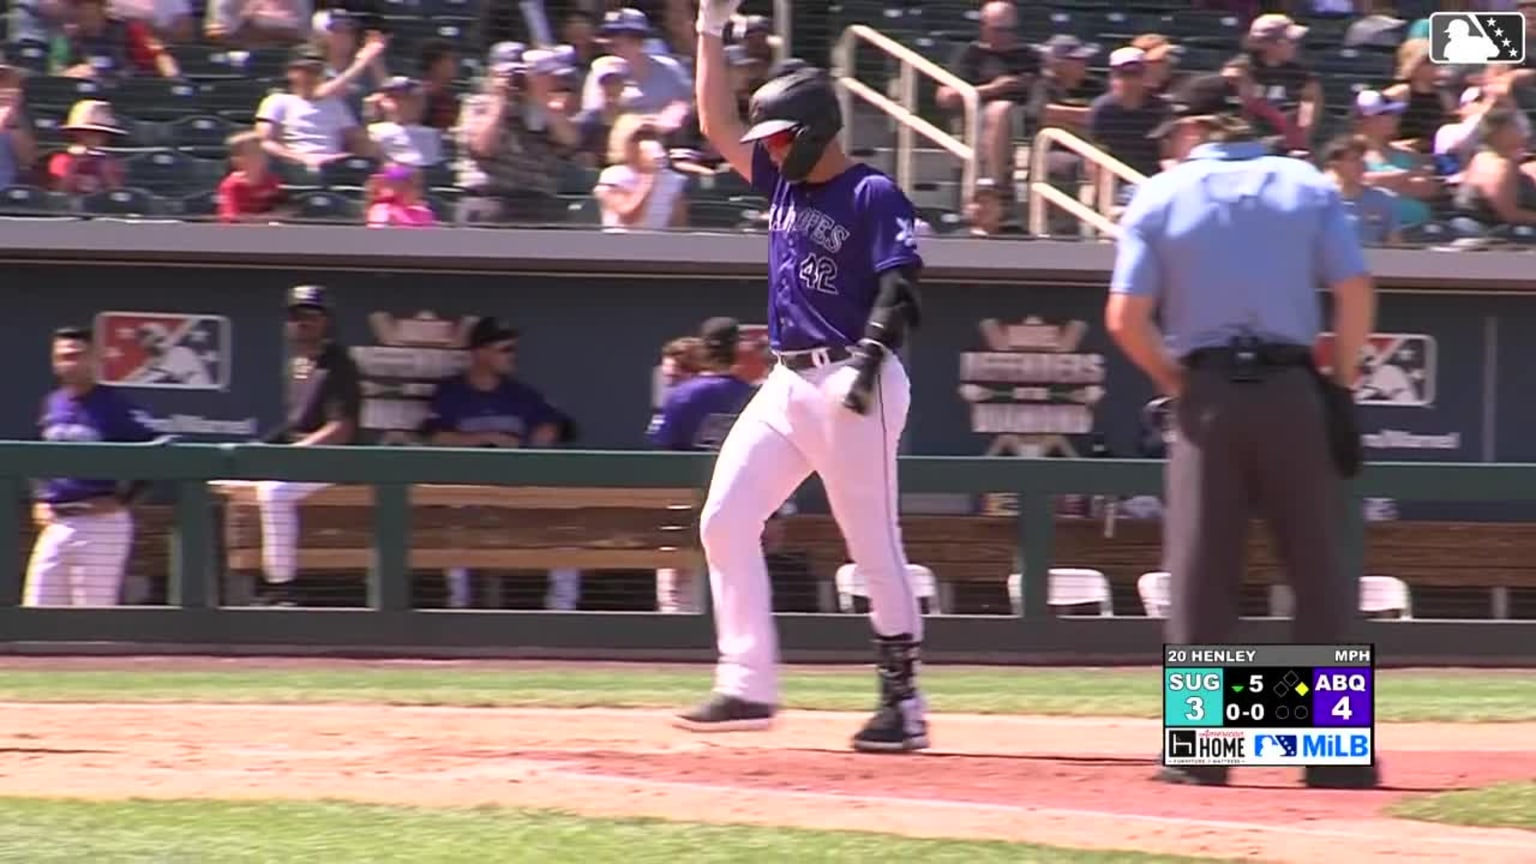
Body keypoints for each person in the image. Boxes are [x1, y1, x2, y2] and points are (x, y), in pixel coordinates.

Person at [1106, 73, 1378, 789]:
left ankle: (1205, 752)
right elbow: (1355, 293)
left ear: (1191, 128)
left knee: (1203, 576)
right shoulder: (1307, 184)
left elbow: (1124, 319)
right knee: (1315, 571)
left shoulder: (1160, 194)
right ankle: (1331, 754)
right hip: (1293, 388)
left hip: (1210, 396)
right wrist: (1341, 383)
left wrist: (1177, 385)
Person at [676, 0, 929, 754]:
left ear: (817, 130)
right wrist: (708, 29)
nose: (769, 148)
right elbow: (717, 122)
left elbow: (902, 286)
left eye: (781, 134)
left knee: (872, 547)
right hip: (788, 384)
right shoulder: (786, 184)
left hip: (857, 375)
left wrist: (870, 360)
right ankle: (748, 683)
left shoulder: (870, 193)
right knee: (723, 518)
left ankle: (904, 707)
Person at [420, 316, 576, 611]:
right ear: (480, 352)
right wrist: (486, 438)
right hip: (465, 495)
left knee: (565, 532)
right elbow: (435, 436)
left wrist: (534, 446)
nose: (512, 355)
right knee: (454, 529)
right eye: (505, 349)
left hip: (515, 495)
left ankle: (562, 613)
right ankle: (460, 610)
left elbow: (553, 426)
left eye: (513, 349)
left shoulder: (520, 395)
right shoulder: (452, 393)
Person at [25, 326, 159, 607]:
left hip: (100, 522)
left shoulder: (114, 404)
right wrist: (39, 497)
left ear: (94, 359)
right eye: (63, 356)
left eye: (77, 355)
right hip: (58, 520)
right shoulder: (52, 403)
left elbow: (158, 451)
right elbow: (37, 456)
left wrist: (125, 500)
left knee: (93, 618)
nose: (70, 362)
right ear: (54, 362)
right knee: (37, 609)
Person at [251, 285, 362, 607]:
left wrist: (293, 456)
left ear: (327, 321)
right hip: (304, 462)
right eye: (297, 316)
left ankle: (284, 588)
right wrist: (262, 448)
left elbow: (340, 429)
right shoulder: (298, 365)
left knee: (274, 492)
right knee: (238, 483)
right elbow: (296, 424)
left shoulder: (338, 363)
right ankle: (258, 582)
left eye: (312, 316)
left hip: (336, 461)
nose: (303, 323)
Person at [647, 318, 757, 614]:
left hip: (688, 505)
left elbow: (663, 451)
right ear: (737, 350)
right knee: (737, 593)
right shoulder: (753, 396)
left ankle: (682, 653)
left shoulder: (682, 395)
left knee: (679, 601)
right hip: (740, 503)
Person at [1321, 135, 1400, 246]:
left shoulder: (1383, 199)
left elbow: (1394, 243)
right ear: (1335, 164)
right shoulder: (1320, 202)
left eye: (1362, 160)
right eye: (1354, 160)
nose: (1361, 165)